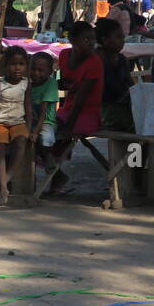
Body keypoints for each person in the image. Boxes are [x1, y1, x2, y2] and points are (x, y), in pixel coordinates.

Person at [44, 22, 104, 197]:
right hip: (68, 109)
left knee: (54, 133)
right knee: (41, 130)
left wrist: (68, 126)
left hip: (88, 113)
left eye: (93, 39)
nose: (91, 43)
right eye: (86, 39)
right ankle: (57, 174)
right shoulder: (64, 56)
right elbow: (65, 83)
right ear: (72, 40)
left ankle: (56, 175)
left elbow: (81, 98)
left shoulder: (95, 62)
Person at [0, 47, 32, 206]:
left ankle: (3, 184)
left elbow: (28, 107)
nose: (17, 68)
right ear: (5, 66)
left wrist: (29, 128)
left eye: (21, 64)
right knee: (0, 148)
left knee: (21, 142)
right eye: (13, 64)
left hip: (18, 122)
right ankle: (3, 187)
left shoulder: (26, 84)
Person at [96, 17, 134, 132]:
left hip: (121, 105)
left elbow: (130, 84)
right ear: (105, 40)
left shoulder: (122, 59)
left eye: (122, 37)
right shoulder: (97, 59)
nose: (122, 40)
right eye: (118, 37)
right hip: (103, 108)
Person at [28, 51, 60, 172]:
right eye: (33, 69)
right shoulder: (28, 83)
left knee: (45, 137)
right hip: (31, 120)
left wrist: (36, 131)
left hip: (46, 121)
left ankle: (48, 157)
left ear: (50, 72)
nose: (36, 73)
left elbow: (43, 110)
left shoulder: (51, 83)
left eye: (41, 70)